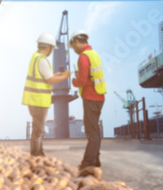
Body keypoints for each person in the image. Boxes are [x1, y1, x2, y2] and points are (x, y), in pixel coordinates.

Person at [21, 32, 69, 157]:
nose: (52, 51)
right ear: (47, 47)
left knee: (38, 128)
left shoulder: (35, 57)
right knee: (38, 130)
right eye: (52, 48)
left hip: (33, 99)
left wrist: (57, 75)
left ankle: (39, 151)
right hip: (39, 100)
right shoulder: (42, 61)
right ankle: (36, 153)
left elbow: (47, 76)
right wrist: (65, 76)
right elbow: (51, 80)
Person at [69, 30, 106, 169]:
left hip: (91, 96)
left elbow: (83, 81)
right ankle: (95, 160)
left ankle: (88, 162)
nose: (73, 49)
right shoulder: (94, 54)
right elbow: (92, 75)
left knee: (91, 132)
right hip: (99, 95)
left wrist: (74, 80)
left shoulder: (83, 57)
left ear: (77, 41)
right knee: (95, 130)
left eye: (73, 46)